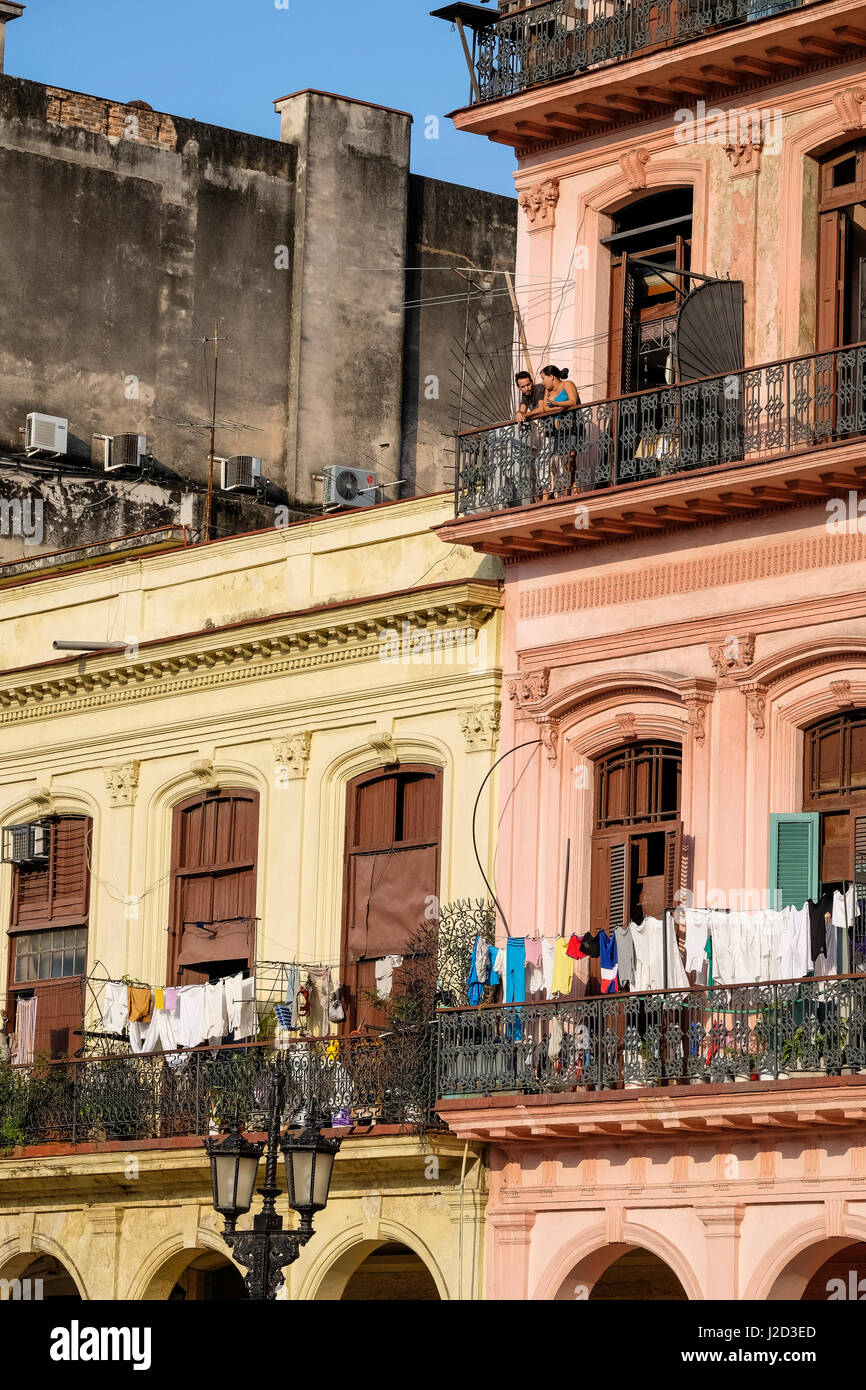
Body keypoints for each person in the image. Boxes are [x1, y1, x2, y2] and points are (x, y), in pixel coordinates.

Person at [528, 365, 581, 497]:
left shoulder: (567, 384)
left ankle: (572, 489)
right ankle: (567, 489)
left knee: (570, 458)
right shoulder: (548, 391)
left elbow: (573, 401)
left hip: (571, 427)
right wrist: (561, 407)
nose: (542, 381)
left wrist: (557, 405)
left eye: (543, 378)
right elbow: (545, 409)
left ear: (552, 377)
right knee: (562, 461)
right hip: (558, 431)